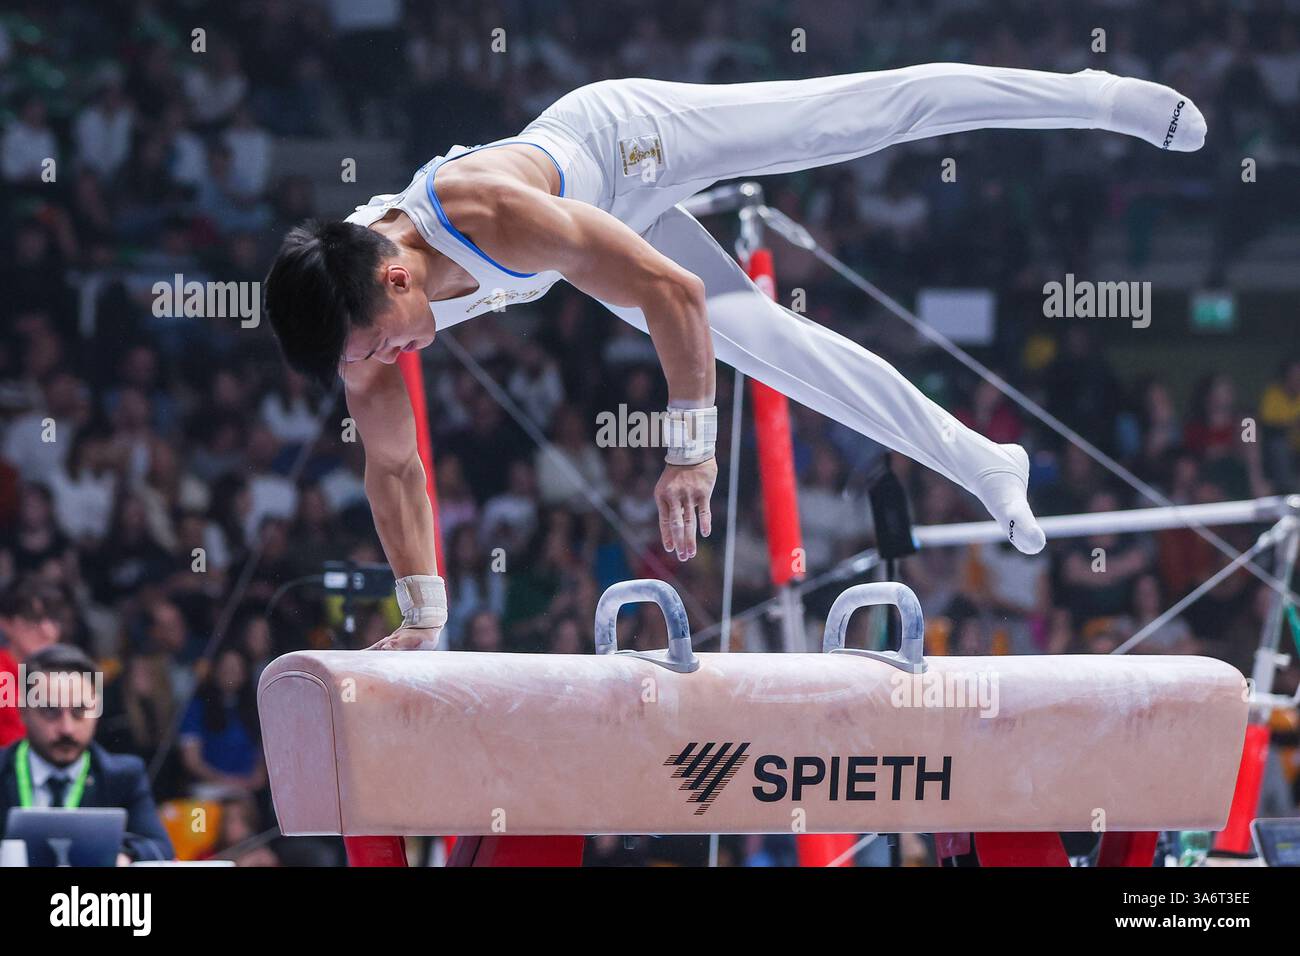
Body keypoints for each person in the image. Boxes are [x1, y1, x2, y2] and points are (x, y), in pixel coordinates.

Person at [264, 65, 1206, 651]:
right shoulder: (360, 325)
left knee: (861, 116)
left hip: (627, 141)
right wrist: (423, 612)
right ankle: (984, 462)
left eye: (383, 340)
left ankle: (1093, 97)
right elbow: (393, 466)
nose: (384, 363)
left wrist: (690, 450)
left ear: (395, 277)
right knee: (781, 350)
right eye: (368, 358)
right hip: (600, 239)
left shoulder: (485, 212)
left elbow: (667, 296)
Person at [0, 643, 174, 864]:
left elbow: (159, 848)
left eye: (79, 712)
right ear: (23, 712)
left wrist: (125, 856)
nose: (67, 729)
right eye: (50, 712)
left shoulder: (122, 775)